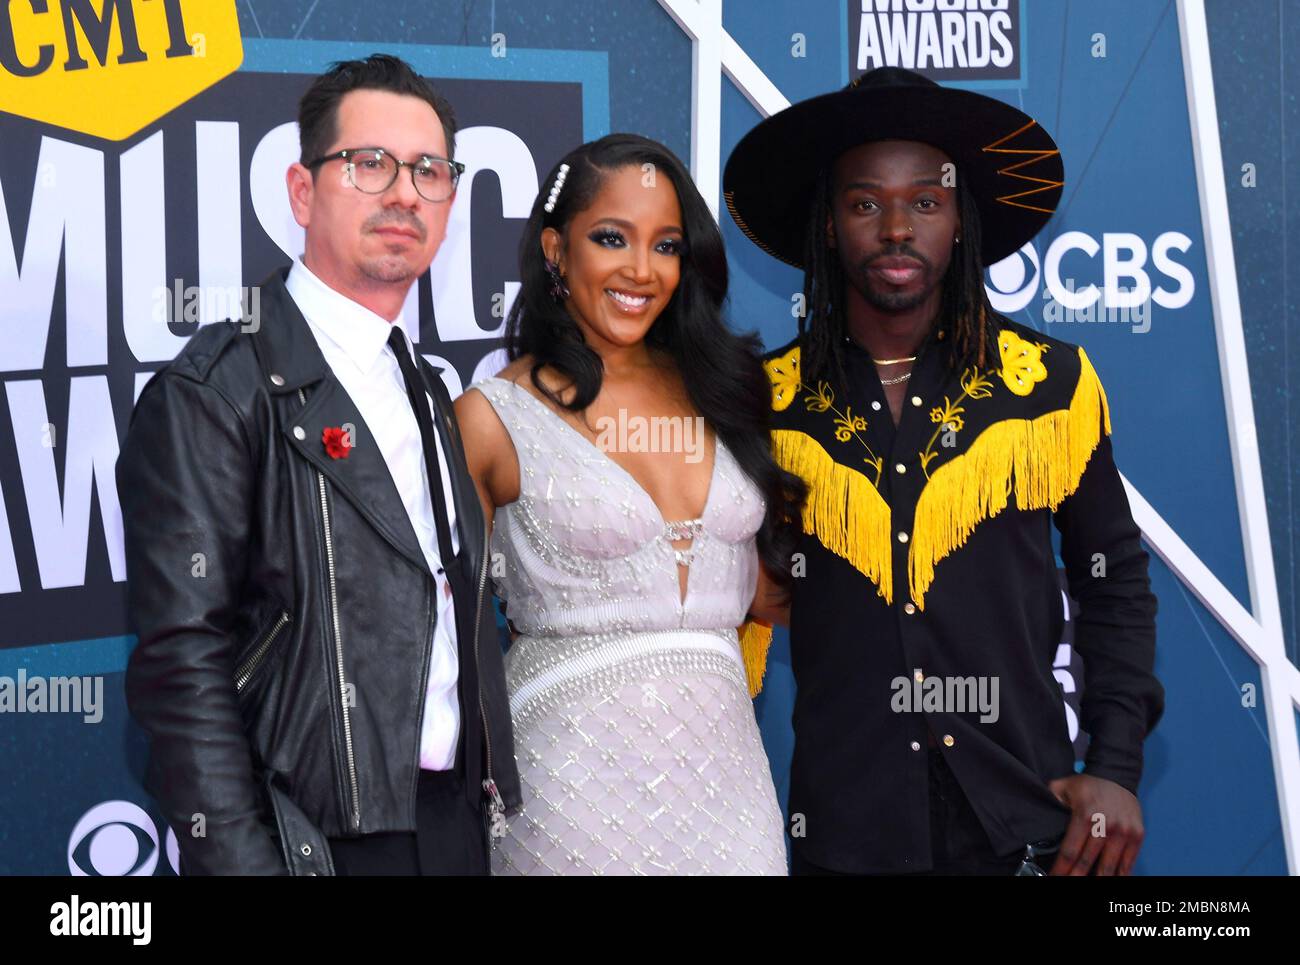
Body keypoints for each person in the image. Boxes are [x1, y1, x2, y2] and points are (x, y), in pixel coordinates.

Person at [722, 66, 1164, 876]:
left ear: (961, 219)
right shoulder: (767, 405)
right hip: (846, 830)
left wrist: (1116, 767)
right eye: (865, 203)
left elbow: (1115, 583)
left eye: (926, 201)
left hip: (1027, 825)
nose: (897, 228)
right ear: (827, 225)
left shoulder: (1049, 385)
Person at [118, 54, 520, 875]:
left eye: (430, 171)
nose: (404, 192)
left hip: (450, 831)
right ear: (303, 192)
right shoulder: (217, 391)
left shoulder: (423, 383)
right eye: (369, 164)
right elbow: (180, 667)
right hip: (313, 843)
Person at [454, 133, 805, 875]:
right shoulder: (492, 417)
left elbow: (772, 595)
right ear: (557, 249)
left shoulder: (726, 390)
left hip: (730, 798)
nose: (641, 270)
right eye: (612, 238)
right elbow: (440, 642)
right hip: (567, 799)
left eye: (668, 245)